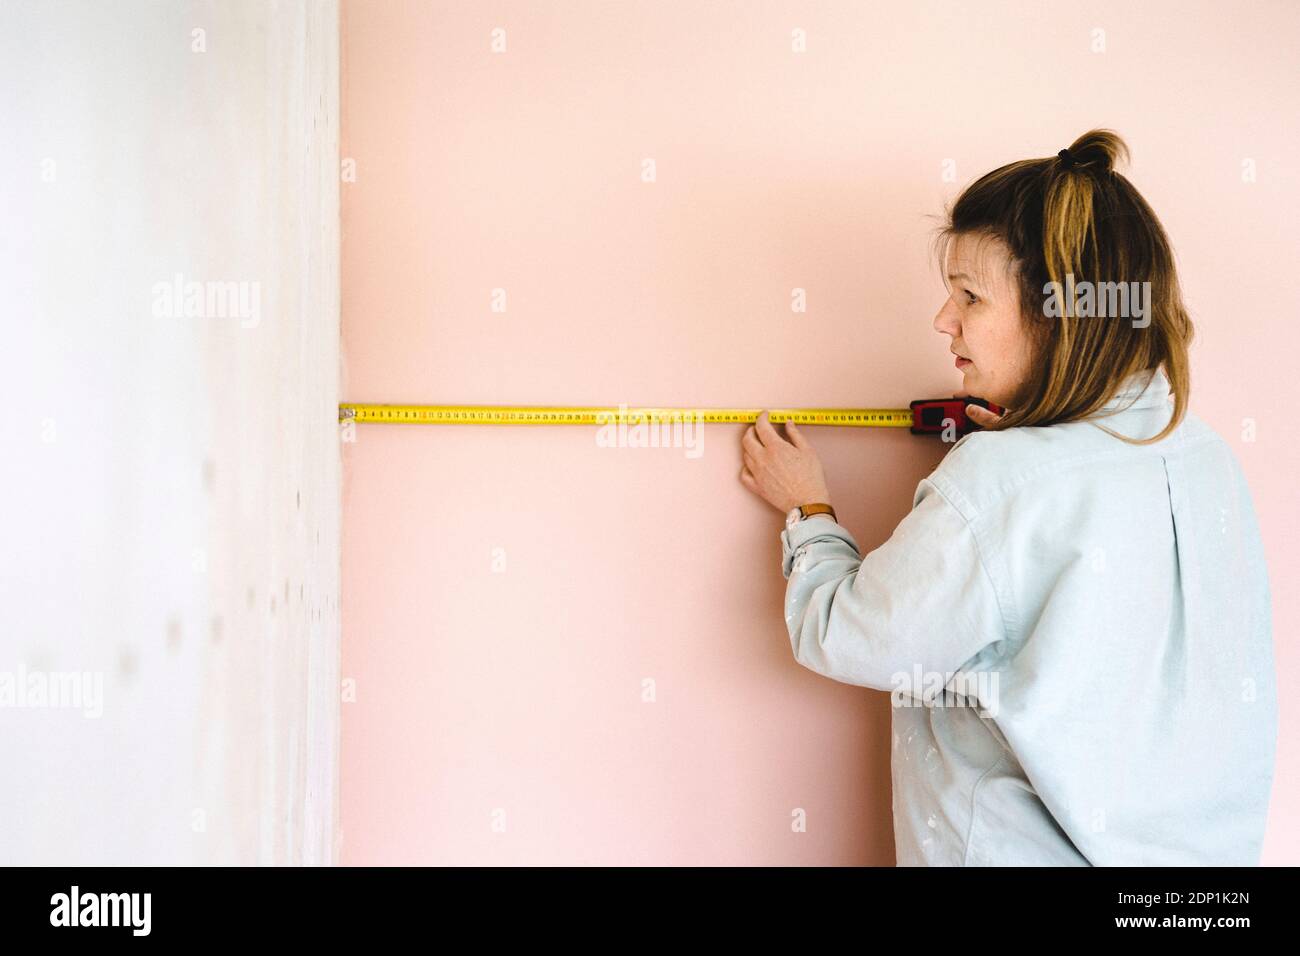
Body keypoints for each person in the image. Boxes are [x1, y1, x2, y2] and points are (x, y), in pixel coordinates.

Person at [738, 129, 1277, 866]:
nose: (943, 321)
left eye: (970, 296)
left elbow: (851, 635)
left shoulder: (999, 481)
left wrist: (809, 513)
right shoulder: (1205, 456)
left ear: (1061, 313)